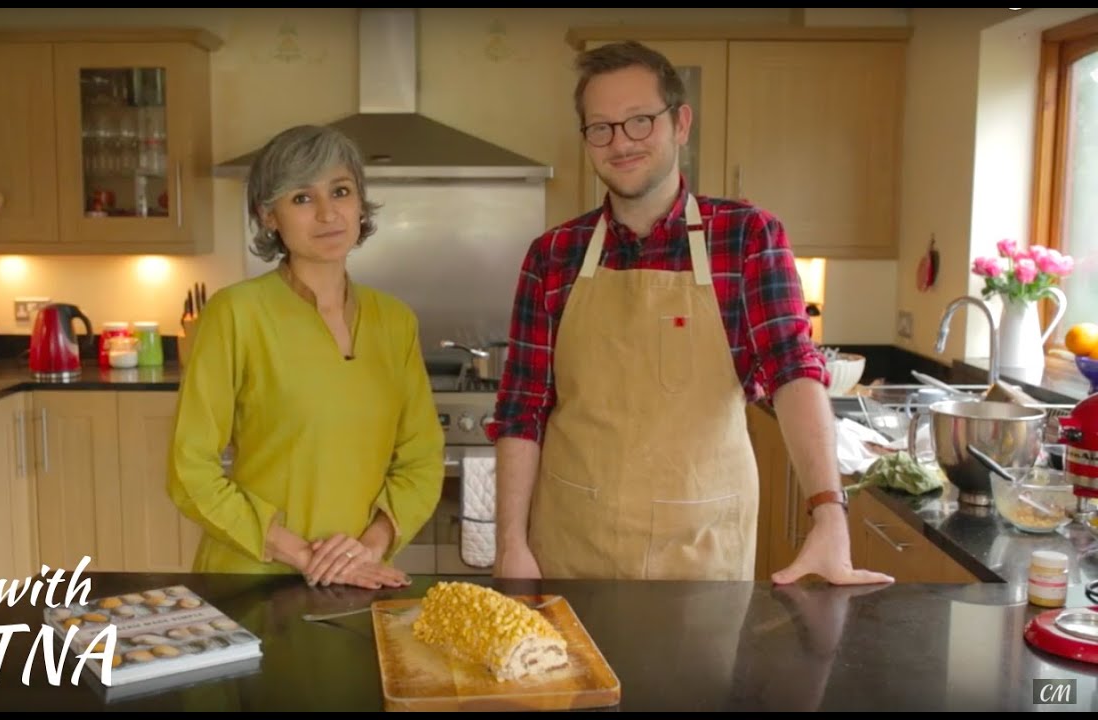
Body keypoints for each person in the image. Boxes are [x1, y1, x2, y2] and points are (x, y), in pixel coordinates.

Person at [489, 41, 892, 586]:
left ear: (680, 123)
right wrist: (511, 542)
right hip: (570, 547)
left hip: (702, 553)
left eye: (639, 121)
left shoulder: (748, 238)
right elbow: (522, 406)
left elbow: (792, 369)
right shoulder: (553, 254)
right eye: (601, 128)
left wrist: (829, 513)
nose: (621, 142)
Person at [167, 124, 445, 590]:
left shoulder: (395, 321)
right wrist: (302, 554)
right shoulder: (235, 313)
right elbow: (189, 469)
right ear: (268, 216)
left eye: (340, 191)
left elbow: (422, 458)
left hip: (361, 578)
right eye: (301, 198)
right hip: (251, 579)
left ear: (360, 204)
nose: (327, 213)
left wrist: (371, 546)